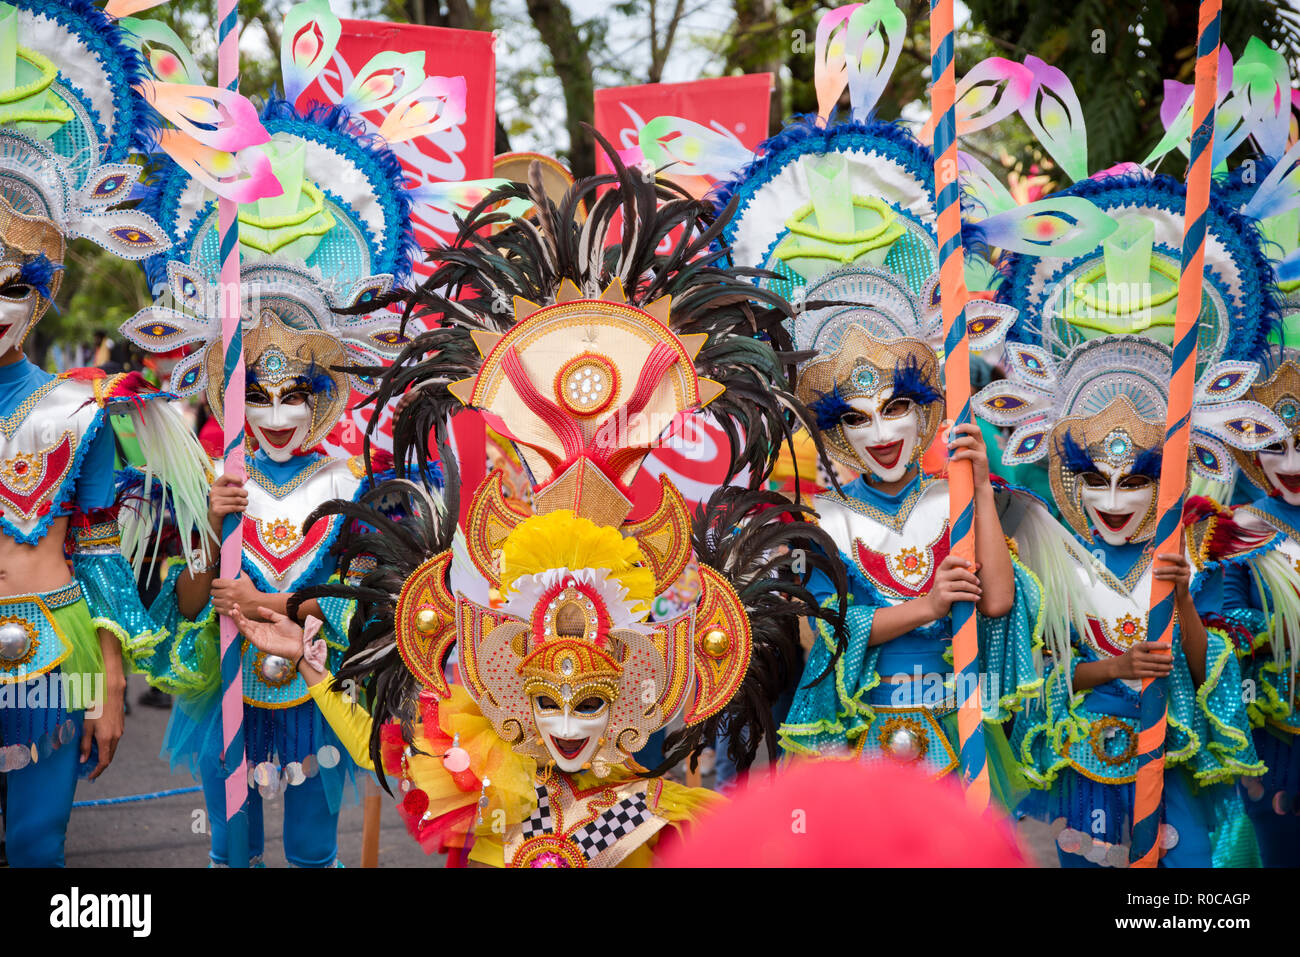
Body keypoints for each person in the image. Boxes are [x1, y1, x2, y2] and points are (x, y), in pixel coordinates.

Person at [256, 141, 846, 867]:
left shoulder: (650, 822)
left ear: (628, 701)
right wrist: (316, 668)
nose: (566, 722)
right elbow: (394, 751)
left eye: (587, 702)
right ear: (512, 690)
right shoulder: (475, 781)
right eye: (551, 699)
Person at [121, 0, 467, 867]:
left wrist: (278, 607)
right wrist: (211, 543)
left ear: (329, 388)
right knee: (229, 848)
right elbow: (187, 602)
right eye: (258, 391)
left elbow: (369, 601)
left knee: (313, 847)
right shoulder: (205, 475)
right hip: (228, 687)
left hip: (315, 685)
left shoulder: (356, 480)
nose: (274, 413)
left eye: (295, 391)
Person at [972, 54, 1283, 865]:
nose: (1114, 496)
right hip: (1068, 788)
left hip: (1173, 780)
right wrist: (1106, 664)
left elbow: (1209, 671)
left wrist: (1178, 597)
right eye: (1097, 475)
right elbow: (1018, 683)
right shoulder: (1042, 543)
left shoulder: (1196, 538)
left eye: (1135, 478)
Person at [0, 0, 214, 866]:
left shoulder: (80, 407)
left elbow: (94, 548)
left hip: (60, 649)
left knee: (42, 842)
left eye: (10, 283)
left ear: (41, 292)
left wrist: (110, 680)